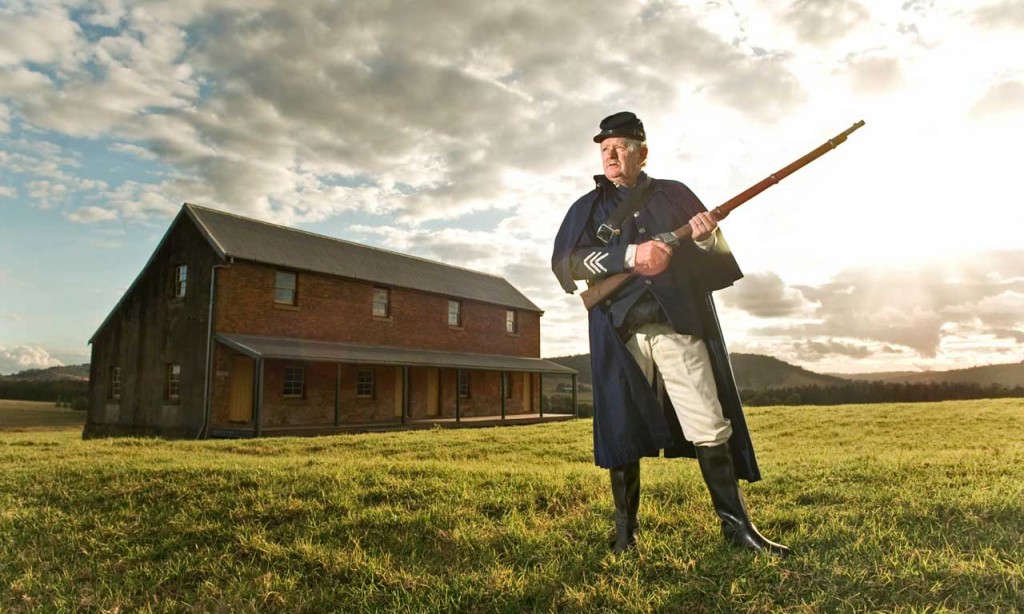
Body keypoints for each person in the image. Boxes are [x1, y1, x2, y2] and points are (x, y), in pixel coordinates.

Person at [551, 111, 790, 557]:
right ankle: (626, 535)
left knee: (708, 422)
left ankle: (737, 529)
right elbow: (567, 263)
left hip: (675, 324)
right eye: (605, 149)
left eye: (621, 147)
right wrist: (630, 254)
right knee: (621, 429)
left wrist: (703, 239)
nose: (612, 155)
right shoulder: (587, 207)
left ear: (642, 152)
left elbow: (718, 263)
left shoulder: (675, 195)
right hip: (619, 333)